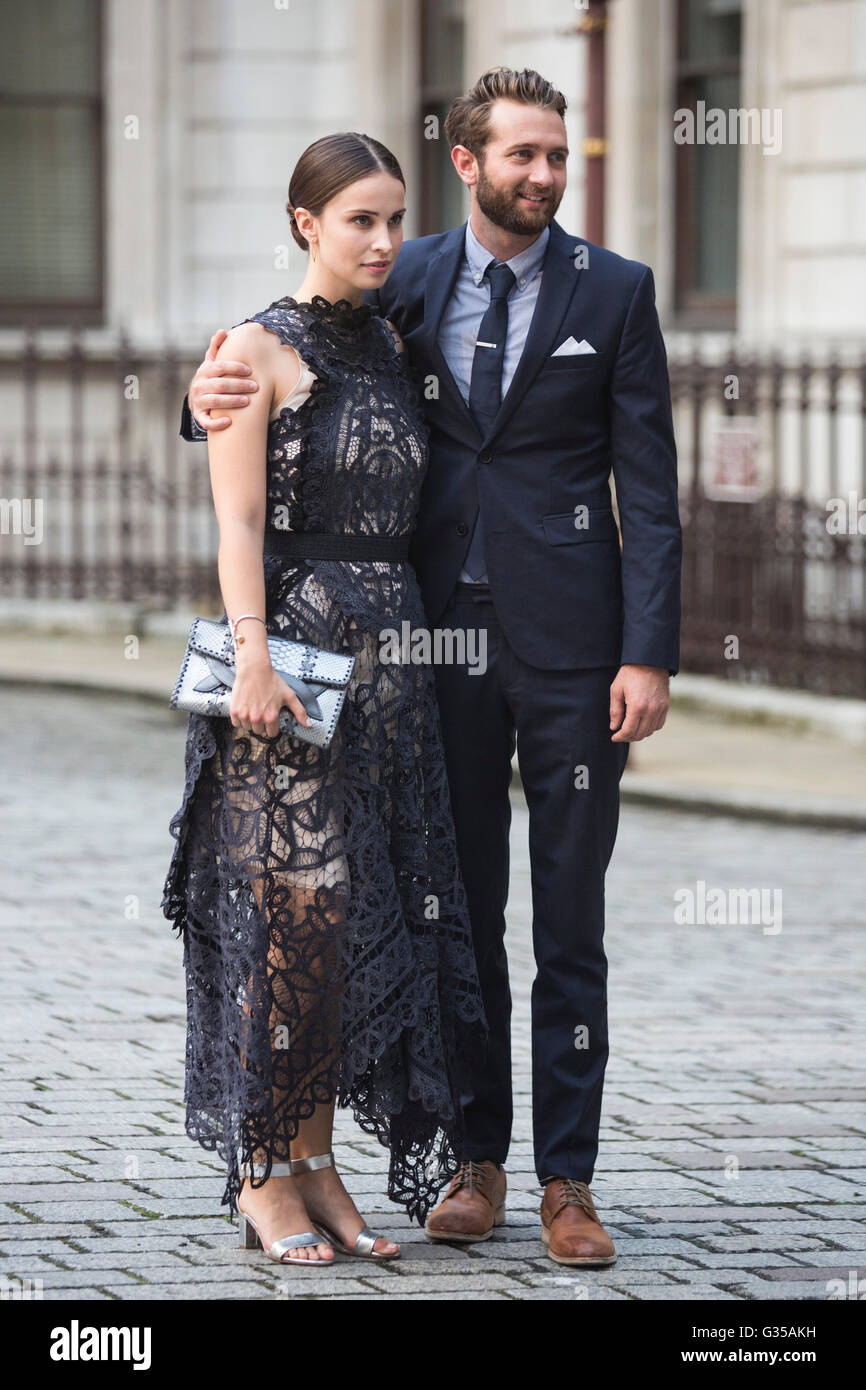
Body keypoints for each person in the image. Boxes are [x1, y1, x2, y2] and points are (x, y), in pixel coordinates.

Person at [183, 66, 682, 1268]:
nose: (544, 175)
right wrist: (196, 395)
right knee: (447, 911)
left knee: (568, 918)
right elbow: (273, 388)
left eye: (557, 156)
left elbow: (649, 491)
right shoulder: (394, 276)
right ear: (468, 163)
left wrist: (646, 652)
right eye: (522, 155)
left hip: (570, 653)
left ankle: (568, 1180)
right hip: (422, 657)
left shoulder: (613, 293)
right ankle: (475, 1160)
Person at [162, 131, 487, 1266]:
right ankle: (260, 1172)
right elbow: (238, 521)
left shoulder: (394, 345)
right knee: (286, 926)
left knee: (347, 927)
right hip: (293, 670)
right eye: (359, 218)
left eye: (395, 217)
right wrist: (249, 655)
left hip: (393, 673)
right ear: (306, 222)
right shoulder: (256, 346)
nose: (384, 240)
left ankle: (318, 1163)